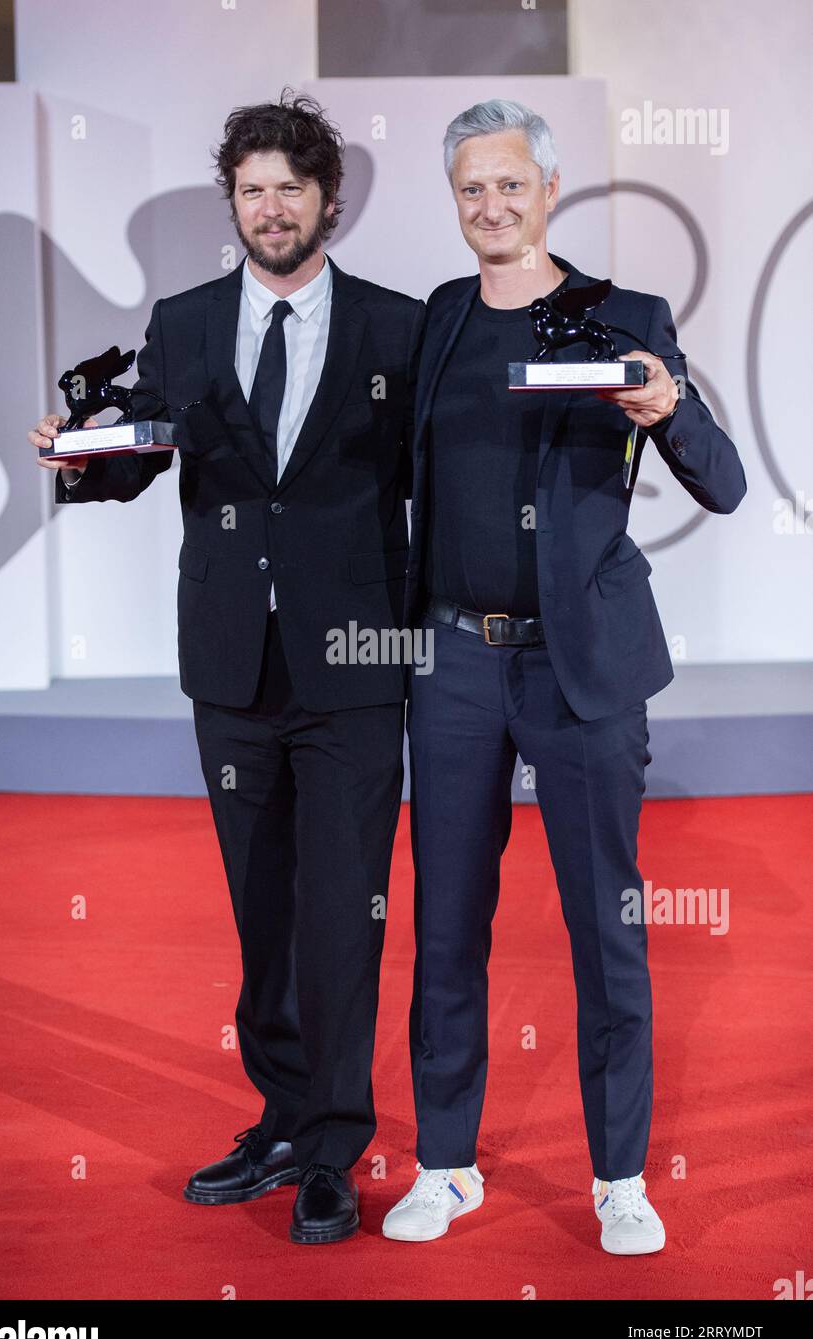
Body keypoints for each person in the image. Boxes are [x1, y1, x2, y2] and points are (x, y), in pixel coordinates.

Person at [29, 89, 424, 1246]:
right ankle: (283, 1112)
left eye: (288, 189)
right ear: (233, 203)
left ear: (327, 202)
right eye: (250, 191)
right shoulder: (188, 319)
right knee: (263, 911)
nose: (269, 209)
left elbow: (434, 488)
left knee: (343, 916)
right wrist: (77, 457)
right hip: (230, 666)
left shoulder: (396, 328)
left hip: (356, 663)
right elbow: (143, 448)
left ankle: (335, 1151)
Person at [381, 99, 746, 1253]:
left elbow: (725, 483)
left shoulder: (624, 316)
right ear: (455, 203)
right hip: (449, 662)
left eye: (507, 185)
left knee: (606, 926)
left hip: (582, 665)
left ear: (548, 190)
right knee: (444, 921)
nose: (489, 206)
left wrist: (667, 406)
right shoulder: (438, 320)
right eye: (468, 190)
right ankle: (444, 1163)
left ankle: (619, 1175)